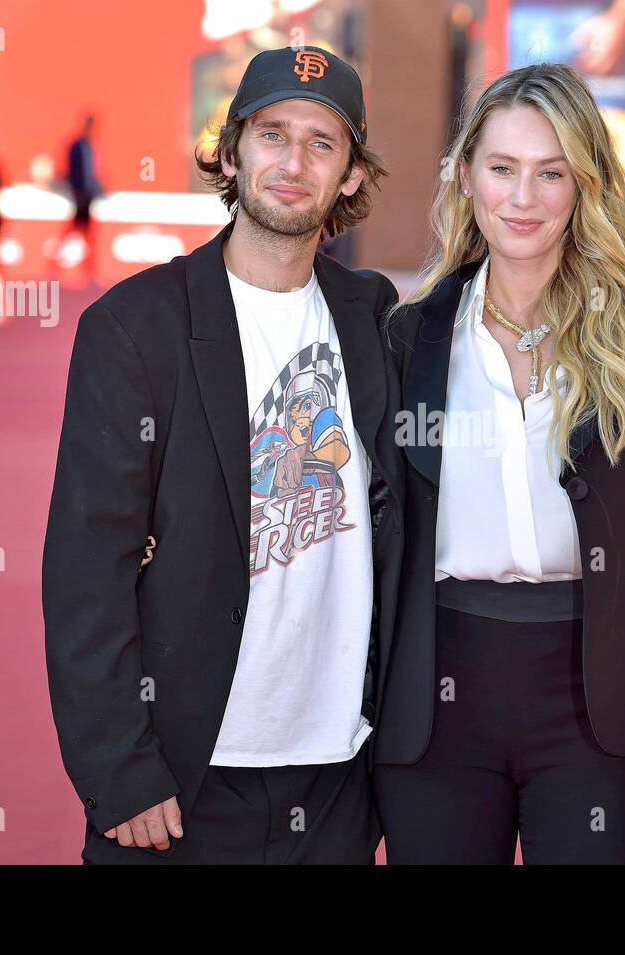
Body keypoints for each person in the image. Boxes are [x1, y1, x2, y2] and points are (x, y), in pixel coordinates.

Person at [42, 44, 403, 864]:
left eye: (321, 143)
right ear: (231, 152)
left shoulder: (375, 319)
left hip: (339, 775)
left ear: (351, 174)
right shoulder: (136, 326)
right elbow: (86, 568)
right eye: (272, 134)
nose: (293, 163)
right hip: (182, 779)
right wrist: (118, 769)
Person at [375, 62, 625, 864]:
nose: (523, 198)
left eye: (551, 173)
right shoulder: (409, 336)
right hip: (435, 705)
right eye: (502, 168)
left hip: (597, 704)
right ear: (466, 177)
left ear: (586, 184)